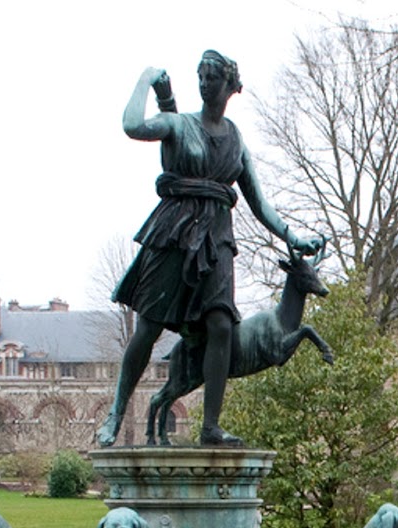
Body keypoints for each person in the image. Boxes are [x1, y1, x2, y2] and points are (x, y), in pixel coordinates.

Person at [98, 51, 322, 447]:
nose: (204, 83)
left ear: (230, 85)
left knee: (221, 325)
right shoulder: (179, 124)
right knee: (148, 327)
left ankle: (210, 428)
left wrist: (292, 236)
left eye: (212, 77)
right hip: (173, 232)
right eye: (200, 76)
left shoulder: (235, 139)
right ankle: (117, 411)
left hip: (216, 238)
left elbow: (258, 201)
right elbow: (132, 125)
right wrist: (148, 78)